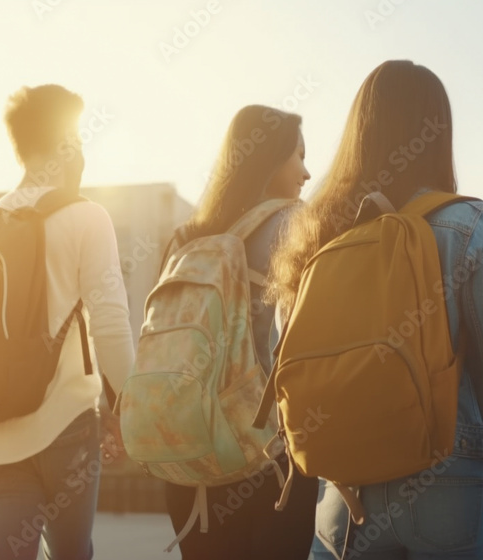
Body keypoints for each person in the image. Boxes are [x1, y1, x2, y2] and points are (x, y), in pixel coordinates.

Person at [267, 60, 483, 560]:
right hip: (448, 480)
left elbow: (290, 359)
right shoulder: (467, 222)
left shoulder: (317, 233)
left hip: (345, 491)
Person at [0, 84, 135, 560]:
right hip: (67, 426)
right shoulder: (86, 216)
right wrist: (130, 411)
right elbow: (111, 325)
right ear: (68, 145)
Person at [161, 104, 319, 560]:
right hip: (268, 461)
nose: (307, 173)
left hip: (191, 458)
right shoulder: (295, 224)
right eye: (299, 156)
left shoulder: (186, 237)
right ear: (270, 160)